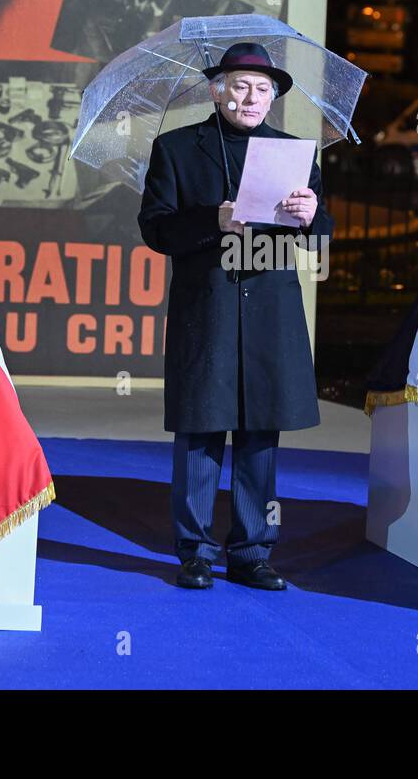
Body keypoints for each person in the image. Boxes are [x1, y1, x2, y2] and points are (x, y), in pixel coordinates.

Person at [138, 43, 333, 591]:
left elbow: (321, 230)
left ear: (274, 96)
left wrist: (313, 216)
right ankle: (194, 550)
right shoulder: (176, 149)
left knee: (259, 429)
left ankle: (252, 550)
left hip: (271, 307)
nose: (251, 98)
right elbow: (156, 229)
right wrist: (212, 219)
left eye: (262, 88)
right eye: (240, 86)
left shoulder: (294, 151)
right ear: (216, 89)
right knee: (200, 427)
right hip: (209, 304)